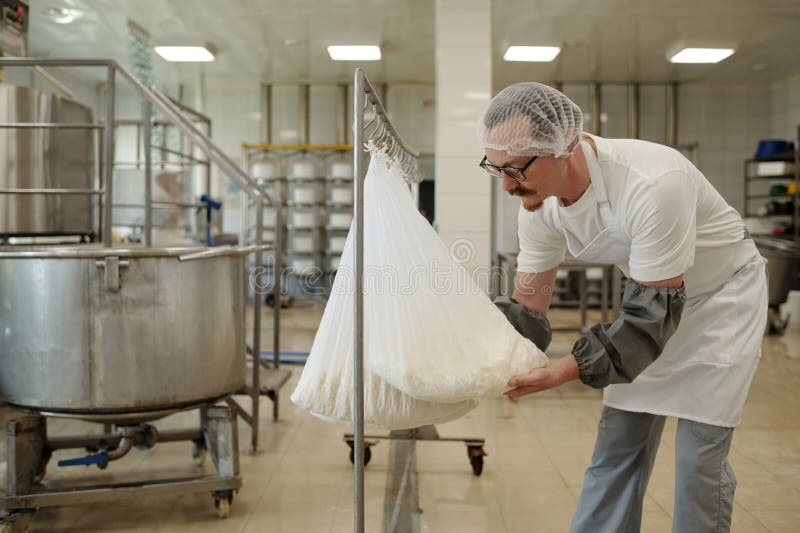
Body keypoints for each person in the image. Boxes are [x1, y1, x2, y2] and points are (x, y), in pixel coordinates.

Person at [482, 82, 767, 533]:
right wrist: (488, 361)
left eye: (515, 169)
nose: (505, 185)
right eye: (494, 168)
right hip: (650, 304)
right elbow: (528, 309)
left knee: (698, 459)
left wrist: (562, 371)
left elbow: (646, 323)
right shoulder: (537, 206)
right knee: (617, 445)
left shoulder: (653, 183)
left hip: (720, 304)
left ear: (564, 147)